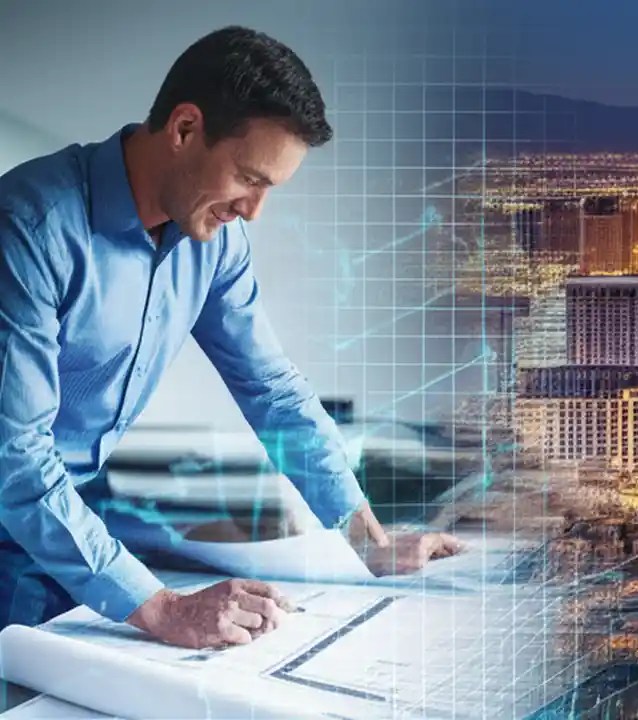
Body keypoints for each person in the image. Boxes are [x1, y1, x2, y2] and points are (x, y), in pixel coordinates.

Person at [0, 26, 461, 649]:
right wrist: (160, 609)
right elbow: (17, 457)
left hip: (75, 503)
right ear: (185, 129)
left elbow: (272, 391)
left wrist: (366, 544)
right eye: (250, 177)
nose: (253, 211)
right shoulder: (30, 227)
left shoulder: (213, 245)